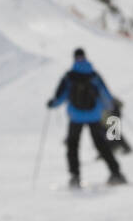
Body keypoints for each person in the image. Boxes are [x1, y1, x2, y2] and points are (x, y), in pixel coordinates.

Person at [47, 48, 127, 187]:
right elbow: (105, 95)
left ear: (74, 58)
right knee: (101, 145)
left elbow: (60, 97)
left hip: (75, 116)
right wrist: (111, 108)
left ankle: (75, 176)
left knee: (73, 146)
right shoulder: (94, 75)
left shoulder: (69, 77)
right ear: (85, 57)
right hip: (94, 115)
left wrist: (52, 104)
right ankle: (116, 173)